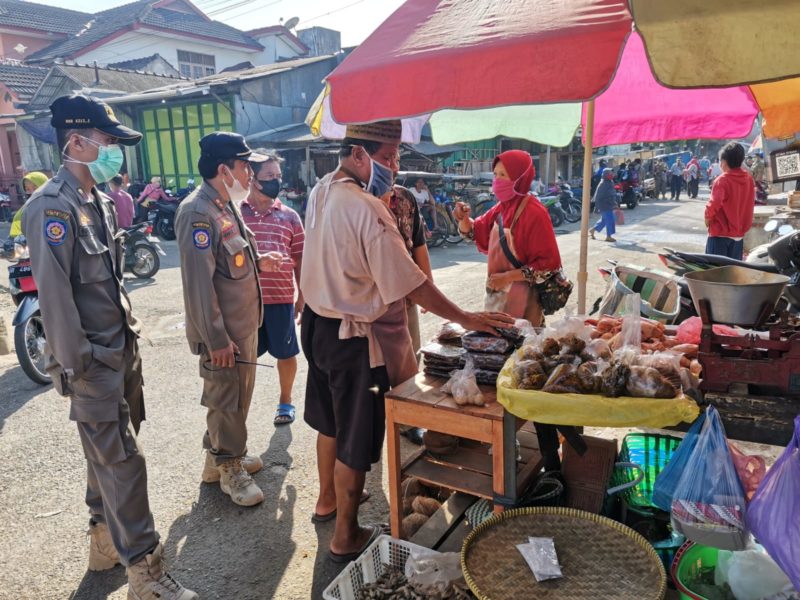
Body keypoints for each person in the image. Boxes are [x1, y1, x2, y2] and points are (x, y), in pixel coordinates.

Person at [301, 120, 512, 561]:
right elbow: (411, 284)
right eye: (388, 156)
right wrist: (467, 316)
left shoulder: (320, 190)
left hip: (319, 328)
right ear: (358, 154)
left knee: (332, 425)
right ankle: (345, 536)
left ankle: (329, 506)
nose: (395, 167)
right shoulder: (366, 207)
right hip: (353, 338)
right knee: (356, 440)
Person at [22, 94, 196, 599]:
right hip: (93, 360)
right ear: (75, 141)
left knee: (109, 453)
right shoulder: (50, 208)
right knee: (123, 461)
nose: (114, 151)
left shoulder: (95, 200)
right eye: (107, 141)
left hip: (121, 351)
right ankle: (146, 573)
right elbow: (54, 300)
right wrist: (83, 367)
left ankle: (103, 540)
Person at [175, 132, 283, 507]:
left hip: (243, 325)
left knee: (239, 397)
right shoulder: (198, 213)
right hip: (223, 333)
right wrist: (216, 338)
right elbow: (199, 287)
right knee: (225, 398)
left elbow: (233, 257)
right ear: (224, 169)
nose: (251, 175)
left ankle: (220, 457)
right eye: (244, 167)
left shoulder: (225, 204)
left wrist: (259, 261)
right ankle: (229, 468)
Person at [453, 149, 563, 327]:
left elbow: (548, 265)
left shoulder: (535, 212)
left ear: (520, 178)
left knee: (522, 349)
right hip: (497, 298)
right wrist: (463, 219)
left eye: (503, 174)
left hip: (525, 302)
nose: (497, 180)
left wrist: (507, 277)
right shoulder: (500, 208)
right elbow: (475, 232)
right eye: (496, 174)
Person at [241, 149, 305, 427]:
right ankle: (240, 406)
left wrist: (302, 295)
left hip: (280, 299)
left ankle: (285, 401)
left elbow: (301, 258)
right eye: (269, 176)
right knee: (244, 358)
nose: (275, 181)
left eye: (278, 176)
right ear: (252, 178)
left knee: (287, 353)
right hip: (245, 302)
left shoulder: (290, 216)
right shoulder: (235, 213)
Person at [387, 179, 434, 447]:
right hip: (370, 301)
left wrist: (428, 286)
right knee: (372, 367)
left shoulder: (405, 198)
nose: (393, 165)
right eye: (386, 158)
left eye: (396, 158)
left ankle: (406, 421)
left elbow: (418, 245)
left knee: (409, 358)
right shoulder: (355, 198)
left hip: (407, 295)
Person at [704, 142, 754, 260]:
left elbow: (713, 205)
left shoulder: (722, 180)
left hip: (719, 237)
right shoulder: (748, 179)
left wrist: (707, 218)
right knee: (731, 275)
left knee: (714, 275)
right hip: (738, 237)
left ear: (724, 162)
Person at [9, 171, 48, 238]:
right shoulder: (26, 208)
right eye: (27, 189)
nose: (32, 192)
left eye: (35, 188)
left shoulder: (55, 204)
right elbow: (16, 230)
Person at [590, 168, 618, 242]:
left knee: (604, 220)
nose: (611, 175)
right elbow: (598, 196)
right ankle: (608, 236)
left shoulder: (610, 182)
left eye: (611, 173)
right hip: (604, 205)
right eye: (609, 173)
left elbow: (611, 193)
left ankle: (593, 230)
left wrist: (614, 202)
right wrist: (596, 207)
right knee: (610, 220)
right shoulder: (603, 183)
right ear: (605, 174)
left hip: (609, 204)